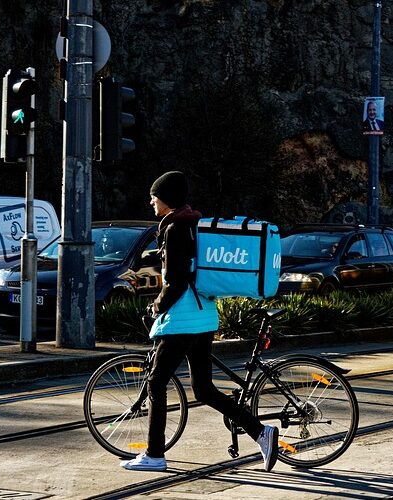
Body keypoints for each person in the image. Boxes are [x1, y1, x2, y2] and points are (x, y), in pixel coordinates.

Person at [119, 171, 279, 473]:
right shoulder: (191, 224)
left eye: (155, 195)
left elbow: (177, 279)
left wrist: (156, 306)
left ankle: (154, 454)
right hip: (203, 315)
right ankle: (261, 432)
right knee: (204, 389)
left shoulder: (176, 228)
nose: (151, 200)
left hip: (183, 318)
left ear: (166, 199)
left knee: (155, 382)